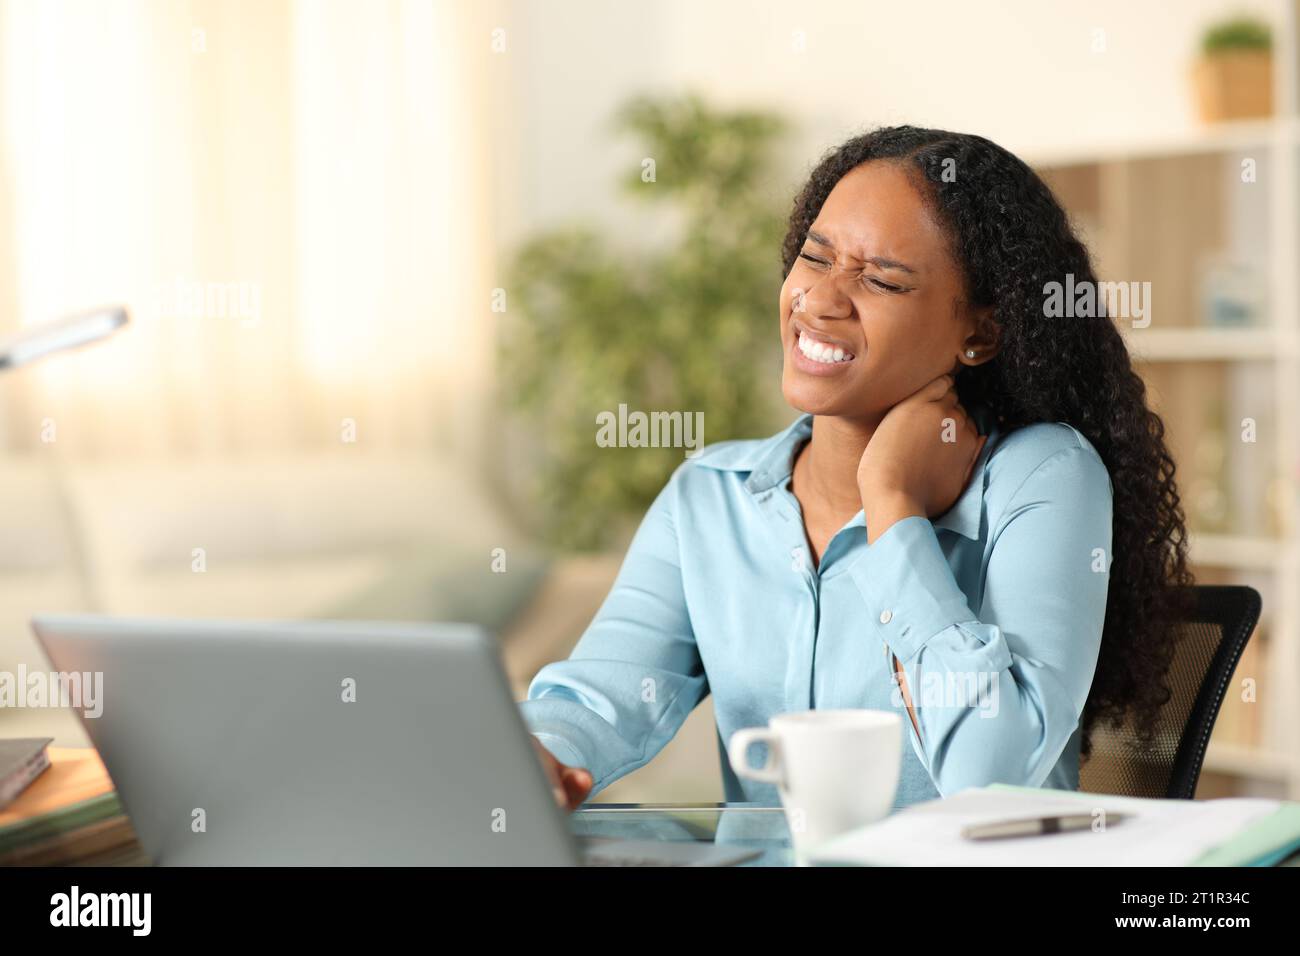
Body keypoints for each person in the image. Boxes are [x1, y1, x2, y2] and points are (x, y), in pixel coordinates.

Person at [522, 125, 1193, 812]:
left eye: (880, 279)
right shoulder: (708, 497)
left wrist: (893, 502)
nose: (820, 299)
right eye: (816, 258)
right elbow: (599, 700)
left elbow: (989, 778)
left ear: (981, 333)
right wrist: (536, 759)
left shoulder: (1044, 476)